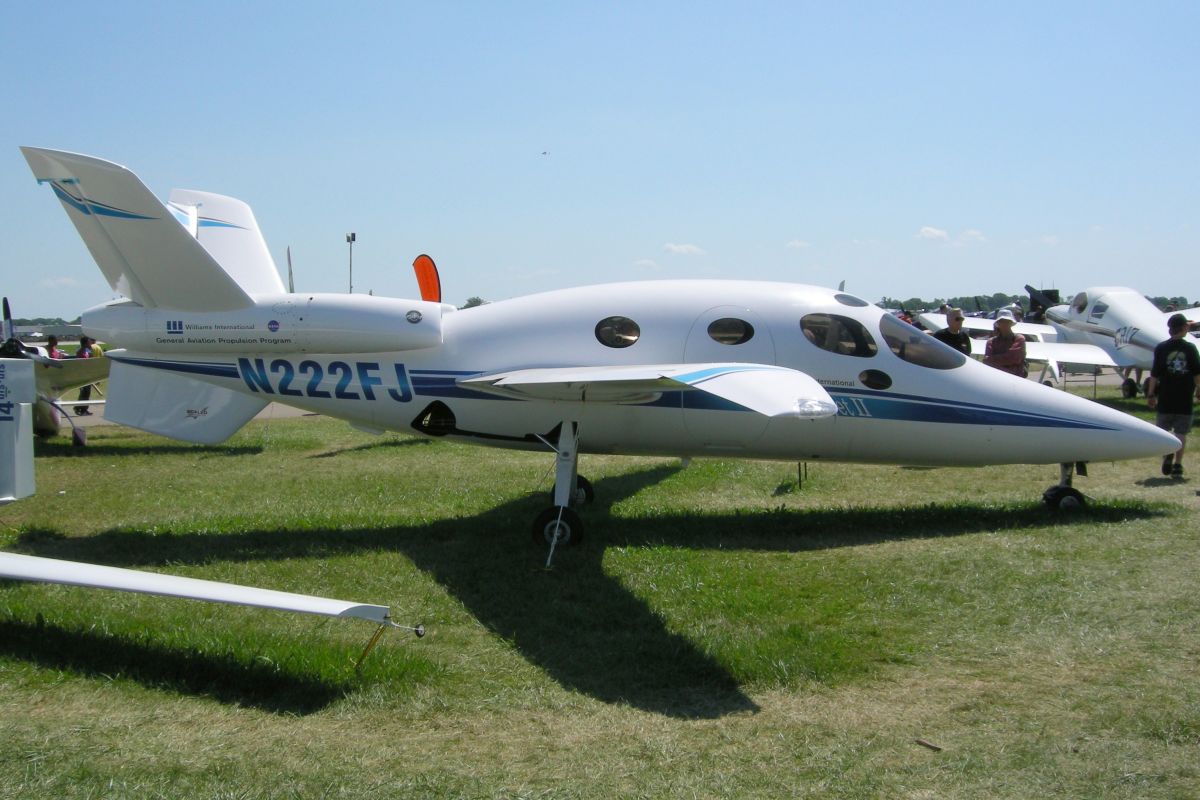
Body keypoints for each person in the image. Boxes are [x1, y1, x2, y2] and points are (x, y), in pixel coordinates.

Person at [1146, 313, 1200, 478]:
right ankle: (1177, 464)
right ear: (1183, 328)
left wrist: (1150, 394)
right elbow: (1197, 374)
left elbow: (1154, 374)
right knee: (1181, 432)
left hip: (1165, 396)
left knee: (1164, 432)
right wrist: (1199, 389)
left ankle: (1167, 454)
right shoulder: (1190, 349)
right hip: (1184, 397)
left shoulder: (1161, 348)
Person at [983, 309, 1027, 377]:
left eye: (1007, 321)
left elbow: (1014, 358)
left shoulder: (1019, 339)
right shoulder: (991, 341)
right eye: (1002, 321)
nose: (1004, 323)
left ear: (1011, 323)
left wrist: (993, 359)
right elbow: (986, 361)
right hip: (996, 378)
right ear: (998, 323)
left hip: (1016, 379)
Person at [74, 335, 100, 415]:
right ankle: (80, 409)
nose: (91, 343)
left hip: (87, 375)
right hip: (83, 376)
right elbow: (81, 365)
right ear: (85, 343)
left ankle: (82, 408)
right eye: (89, 342)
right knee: (84, 393)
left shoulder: (86, 351)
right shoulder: (81, 352)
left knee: (86, 393)